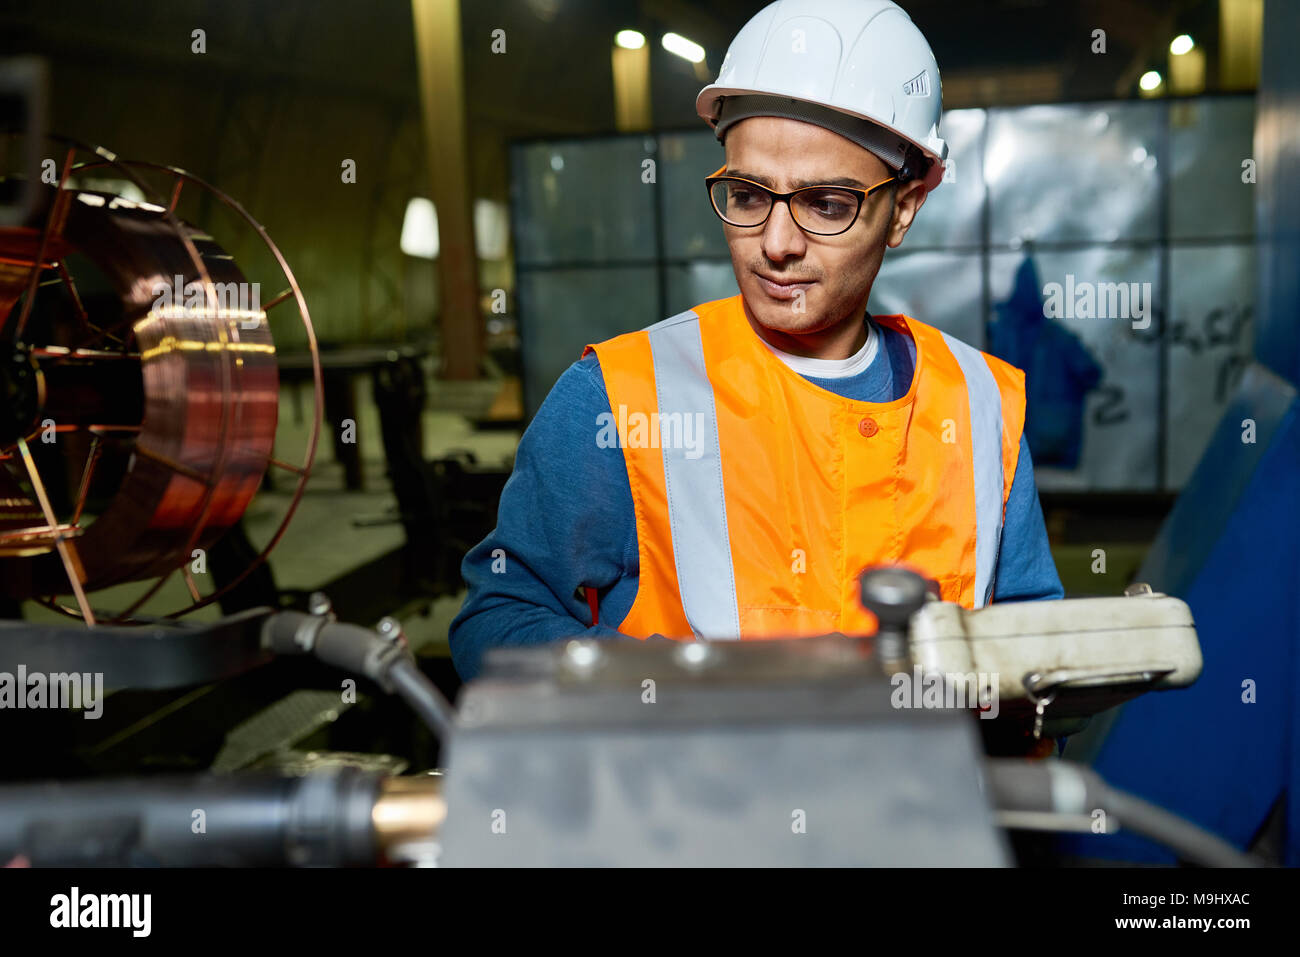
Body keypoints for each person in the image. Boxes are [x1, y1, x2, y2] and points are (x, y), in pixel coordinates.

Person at [450, 0, 1063, 680]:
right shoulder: (622, 399)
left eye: (826, 204)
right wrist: (689, 686)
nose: (775, 244)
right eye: (747, 195)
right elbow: (497, 619)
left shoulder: (979, 407)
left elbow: (1036, 652)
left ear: (905, 208)